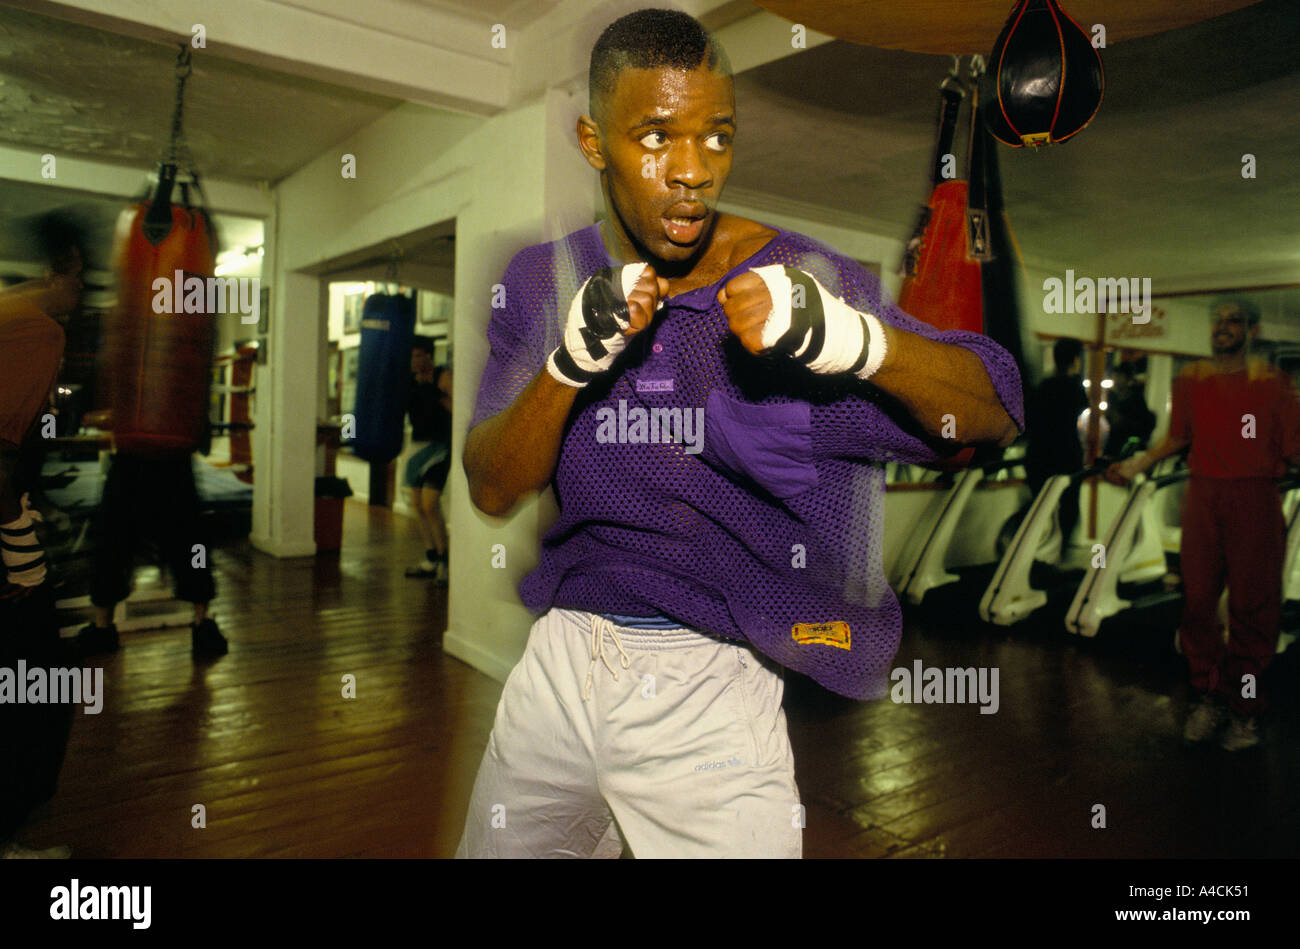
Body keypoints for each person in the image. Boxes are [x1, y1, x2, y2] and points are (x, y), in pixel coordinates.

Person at [453, 9, 1022, 859]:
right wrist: (566, 367)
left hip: (709, 687)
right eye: (655, 137)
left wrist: (858, 342)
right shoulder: (544, 281)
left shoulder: (802, 280)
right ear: (592, 139)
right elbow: (492, 483)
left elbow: (995, 404)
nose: (692, 172)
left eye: (716, 138)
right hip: (560, 666)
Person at [1108, 299, 1300, 751]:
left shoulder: (1274, 384)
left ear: (1251, 331)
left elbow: (1294, 449)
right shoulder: (1191, 380)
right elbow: (1178, 437)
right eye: (1218, 320)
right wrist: (1136, 464)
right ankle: (1210, 695)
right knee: (1196, 604)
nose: (1222, 327)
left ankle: (1246, 710)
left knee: (1253, 608)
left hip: (1254, 496)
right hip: (1203, 495)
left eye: (1234, 321)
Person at [1024, 337, 1090, 552]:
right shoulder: (1075, 388)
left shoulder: (1043, 387)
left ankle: (1036, 552)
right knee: (1068, 506)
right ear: (1076, 360)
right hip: (1066, 455)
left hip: (1038, 455)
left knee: (1040, 507)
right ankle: (1061, 553)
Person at [403, 338, 453, 581]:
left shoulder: (442, 377)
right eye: (412, 357)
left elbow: (456, 407)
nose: (415, 361)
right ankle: (430, 558)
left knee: (430, 504)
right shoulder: (409, 382)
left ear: (429, 356)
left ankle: (445, 561)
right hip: (417, 446)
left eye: (419, 356)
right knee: (416, 504)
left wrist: (436, 394)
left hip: (439, 447)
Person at [1103, 361, 1156, 457]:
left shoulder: (1136, 398)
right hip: (1113, 444)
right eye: (1115, 376)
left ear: (1127, 379)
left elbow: (1143, 425)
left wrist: (1123, 421)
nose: (1116, 380)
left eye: (1119, 376)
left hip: (1130, 447)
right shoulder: (1112, 396)